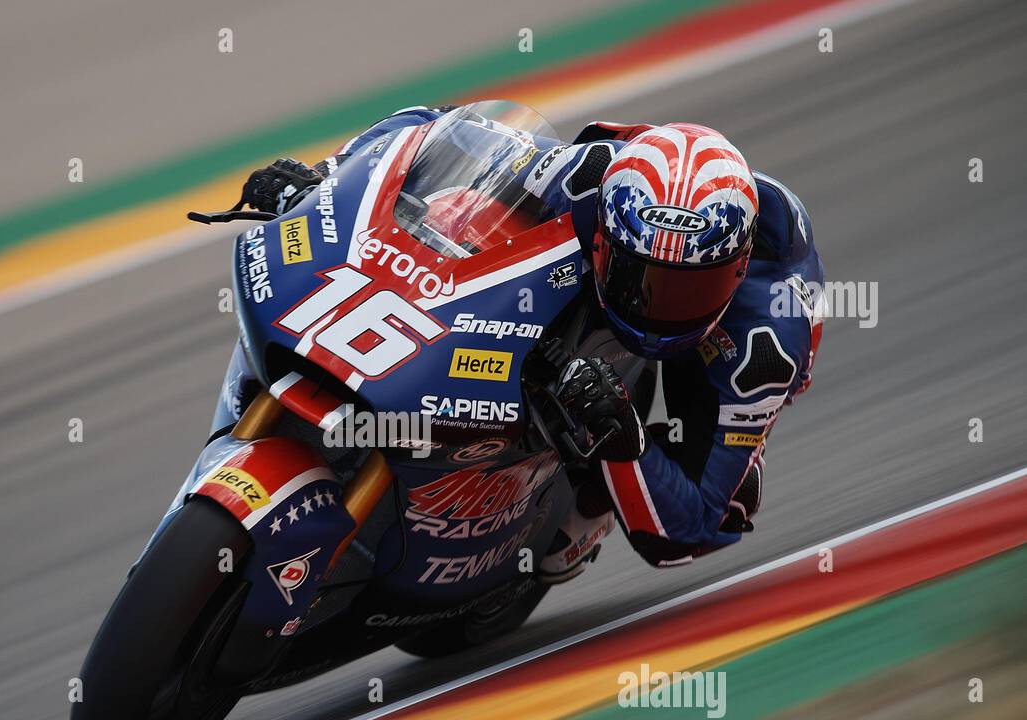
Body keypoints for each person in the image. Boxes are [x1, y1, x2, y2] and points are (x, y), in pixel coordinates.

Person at [239, 105, 825, 578]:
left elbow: (683, 538)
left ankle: (566, 507)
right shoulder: (585, 181)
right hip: (619, 207)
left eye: (683, 290)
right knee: (461, 211)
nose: (654, 305)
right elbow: (423, 128)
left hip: (716, 355)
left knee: (713, 497)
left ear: (737, 269)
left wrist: (624, 442)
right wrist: (327, 180)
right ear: (606, 242)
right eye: (637, 277)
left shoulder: (766, 337)